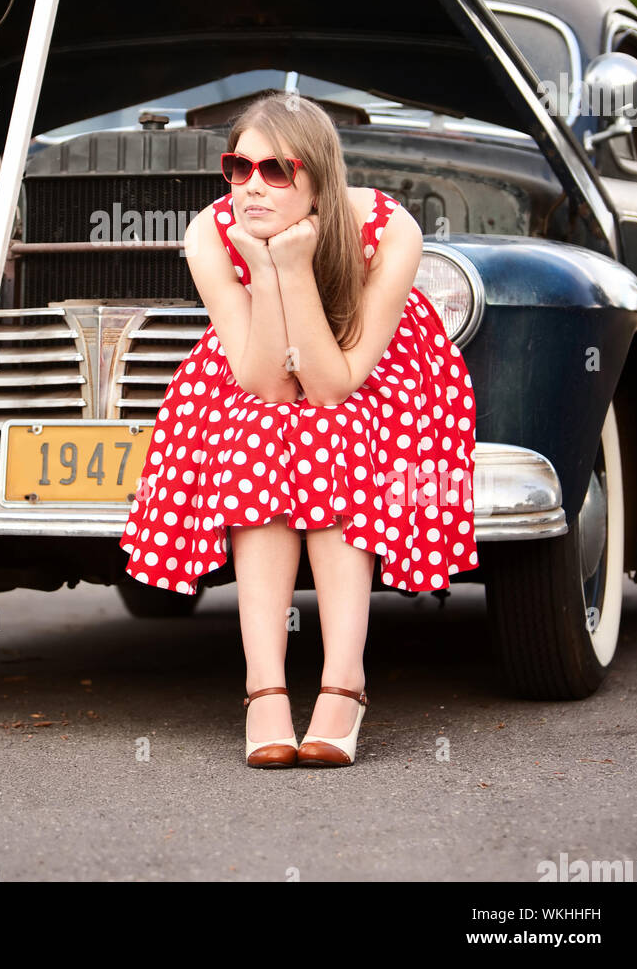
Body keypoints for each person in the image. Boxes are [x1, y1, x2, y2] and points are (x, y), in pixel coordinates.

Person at [118, 90, 478, 769]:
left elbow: (334, 382)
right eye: (238, 167)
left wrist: (293, 268)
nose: (252, 187)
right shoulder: (209, 232)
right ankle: (266, 689)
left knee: (327, 424)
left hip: (378, 375)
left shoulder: (387, 226)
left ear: (316, 175)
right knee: (264, 429)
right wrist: (263, 264)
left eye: (276, 171)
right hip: (253, 368)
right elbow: (263, 383)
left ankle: (344, 681)